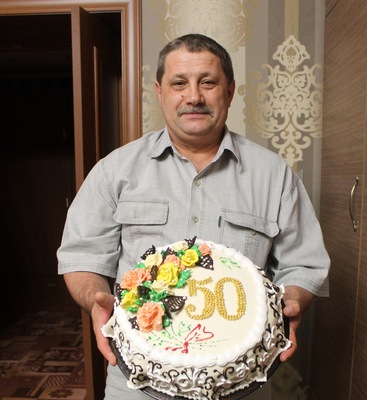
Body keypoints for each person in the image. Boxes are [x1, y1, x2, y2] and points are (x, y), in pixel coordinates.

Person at [57, 33, 330, 400]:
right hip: (136, 385)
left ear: (229, 92)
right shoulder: (114, 171)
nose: (194, 97)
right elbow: (81, 257)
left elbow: (303, 265)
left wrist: (292, 302)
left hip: (243, 386)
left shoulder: (275, 175)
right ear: (160, 92)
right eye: (179, 83)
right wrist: (96, 299)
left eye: (208, 82)